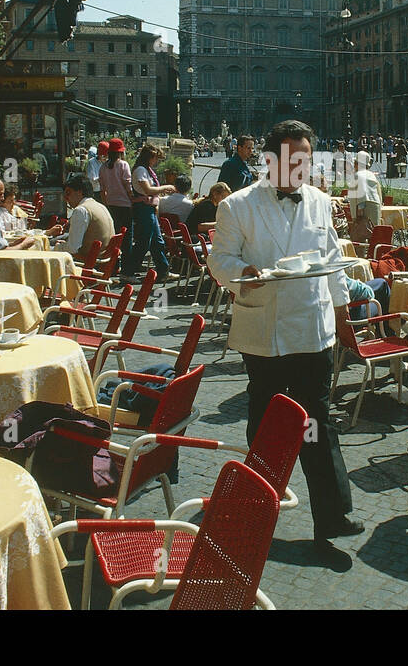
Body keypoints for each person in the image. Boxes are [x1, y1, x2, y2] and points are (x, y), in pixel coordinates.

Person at [207, 119, 361, 555]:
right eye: (291, 158)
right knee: (267, 423)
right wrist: (243, 275)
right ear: (270, 159)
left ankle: (333, 514)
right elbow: (220, 259)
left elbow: (331, 258)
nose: (299, 166)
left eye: (305, 159)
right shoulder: (237, 205)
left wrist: (343, 314)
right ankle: (256, 509)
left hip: (312, 328)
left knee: (317, 422)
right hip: (265, 330)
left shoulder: (318, 200)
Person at [122, 142, 176, 283]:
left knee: (157, 241)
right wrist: (166, 187)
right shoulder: (140, 170)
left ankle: (163, 270)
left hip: (148, 208)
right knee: (144, 242)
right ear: (149, 157)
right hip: (143, 209)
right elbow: (148, 190)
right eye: (155, 158)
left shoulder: (145, 170)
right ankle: (128, 272)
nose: (156, 161)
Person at [53, 174, 116, 260]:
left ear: (80, 192)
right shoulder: (100, 206)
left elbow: (72, 249)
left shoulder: (81, 211)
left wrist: (58, 247)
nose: (65, 198)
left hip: (88, 261)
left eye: (68, 193)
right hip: (101, 258)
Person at [99, 138, 134, 235]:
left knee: (115, 233)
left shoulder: (103, 167)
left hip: (111, 204)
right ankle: (126, 250)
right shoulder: (123, 165)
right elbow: (128, 186)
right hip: (125, 204)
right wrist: (132, 200)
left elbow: (102, 190)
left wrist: (106, 205)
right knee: (127, 233)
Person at [346, 150, 383, 229]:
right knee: (374, 232)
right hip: (375, 205)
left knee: (362, 234)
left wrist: (354, 216)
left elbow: (353, 199)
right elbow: (379, 193)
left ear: (357, 164)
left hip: (363, 207)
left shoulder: (356, 175)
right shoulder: (372, 175)